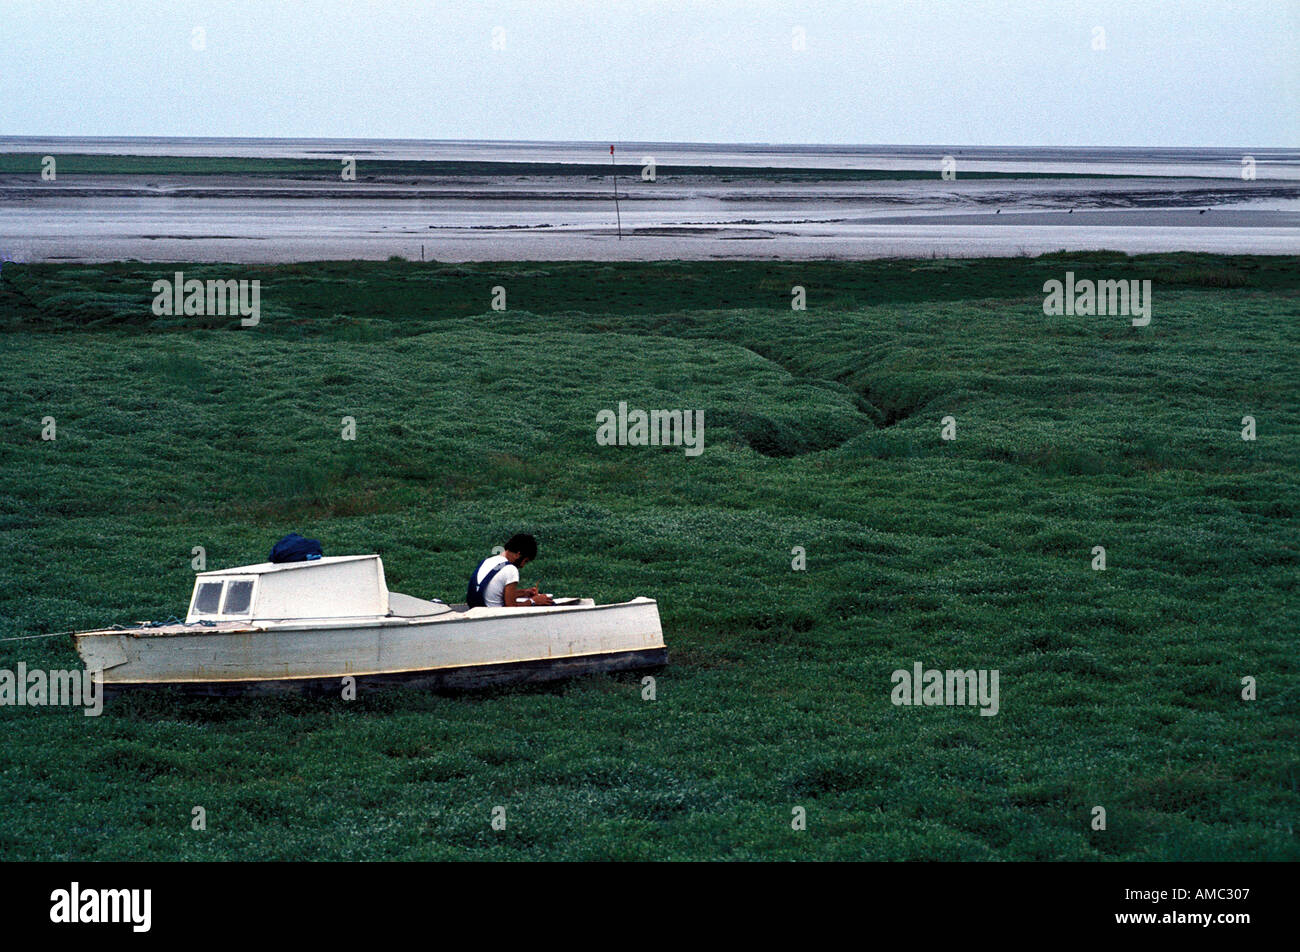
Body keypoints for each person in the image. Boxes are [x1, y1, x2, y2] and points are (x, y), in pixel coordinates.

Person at [465, 533, 555, 608]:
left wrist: (524, 593)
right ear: (518, 554)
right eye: (525, 561)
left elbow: (495, 595)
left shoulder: (488, 561)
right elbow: (511, 608)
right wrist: (533, 601)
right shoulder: (511, 569)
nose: (523, 566)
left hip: (478, 610)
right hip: (496, 618)